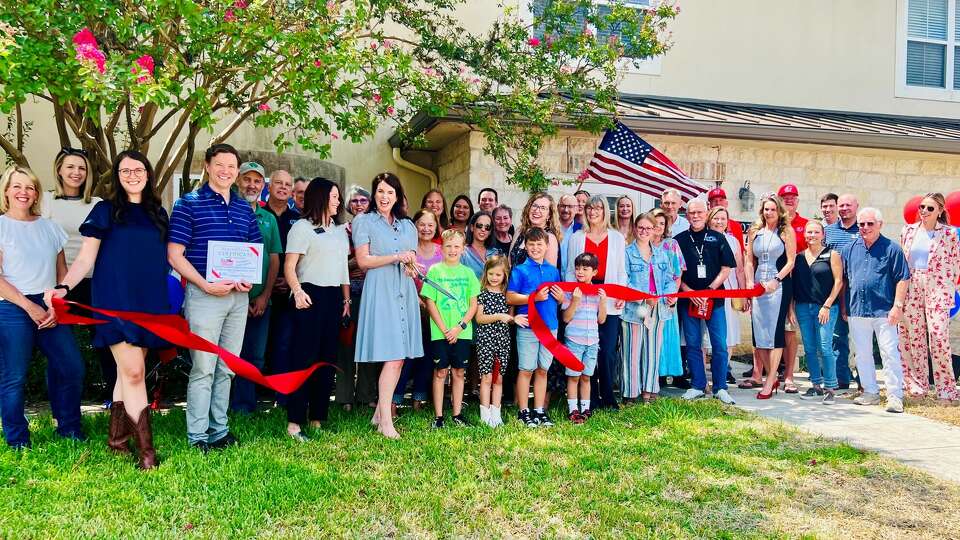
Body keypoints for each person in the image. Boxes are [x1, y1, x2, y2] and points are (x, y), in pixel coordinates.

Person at [45, 150, 169, 467]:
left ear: (148, 173)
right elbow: (86, 259)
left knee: (127, 376)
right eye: (124, 170)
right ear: (117, 176)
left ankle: (117, 442)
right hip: (115, 301)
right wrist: (64, 286)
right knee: (134, 372)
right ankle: (147, 453)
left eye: (137, 169)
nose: (131, 175)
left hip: (150, 303)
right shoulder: (105, 210)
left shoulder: (158, 212)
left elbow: (166, 258)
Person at [167, 143, 262, 451]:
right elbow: (174, 255)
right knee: (204, 367)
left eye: (231, 166)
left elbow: (254, 250)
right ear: (207, 166)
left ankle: (219, 430)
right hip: (204, 296)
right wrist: (205, 284)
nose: (226, 171)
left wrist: (248, 279)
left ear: (237, 171)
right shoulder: (188, 204)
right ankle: (197, 436)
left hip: (237, 299)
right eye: (219, 164)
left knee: (227, 367)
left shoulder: (242, 207)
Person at [0, 166, 85, 449]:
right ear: (6, 191)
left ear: (37, 193)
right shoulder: (1, 226)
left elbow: (61, 275)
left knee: (71, 367)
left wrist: (56, 305)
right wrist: (28, 306)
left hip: (49, 306)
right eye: (17, 186)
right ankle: (17, 439)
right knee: (14, 376)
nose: (24, 192)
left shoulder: (50, 228)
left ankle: (70, 428)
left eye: (30, 187)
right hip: (13, 307)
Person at [42, 147, 115, 409]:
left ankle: (113, 397)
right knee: (59, 345)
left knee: (105, 340)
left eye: (82, 168)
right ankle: (58, 402)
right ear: (59, 170)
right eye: (70, 167)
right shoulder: (46, 201)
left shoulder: (96, 205)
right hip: (57, 283)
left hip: (93, 281)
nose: (76, 172)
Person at [353, 172, 423, 439]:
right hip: (380, 290)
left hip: (403, 291)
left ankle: (378, 414)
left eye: (390, 192)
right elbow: (363, 261)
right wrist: (396, 257)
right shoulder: (364, 221)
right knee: (392, 357)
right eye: (380, 191)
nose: (384, 197)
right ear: (374, 194)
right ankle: (385, 421)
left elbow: (412, 259)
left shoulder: (408, 225)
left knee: (400, 355)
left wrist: (411, 267)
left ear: (398, 196)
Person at [283, 178, 350, 440]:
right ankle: (294, 422)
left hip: (333, 297)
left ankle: (317, 418)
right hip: (308, 295)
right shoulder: (302, 228)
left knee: (326, 360)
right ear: (321, 197)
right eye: (334, 196)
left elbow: (343, 269)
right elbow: (289, 267)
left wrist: (346, 301)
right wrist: (298, 292)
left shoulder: (338, 230)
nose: (338, 201)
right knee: (303, 360)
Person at [843, 207, 909, 413]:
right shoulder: (850, 248)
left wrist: (897, 306)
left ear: (880, 224)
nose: (865, 227)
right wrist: (845, 307)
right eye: (861, 224)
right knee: (862, 354)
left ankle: (894, 396)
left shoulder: (892, 249)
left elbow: (903, 278)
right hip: (857, 310)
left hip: (884, 311)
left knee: (889, 353)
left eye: (870, 223)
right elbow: (844, 280)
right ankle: (870, 392)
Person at [564, 195, 627, 410]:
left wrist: (621, 295)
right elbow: (571, 272)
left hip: (606, 303)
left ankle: (608, 396)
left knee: (607, 351)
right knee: (584, 350)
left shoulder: (617, 238)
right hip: (583, 306)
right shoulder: (576, 238)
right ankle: (589, 399)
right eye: (590, 208)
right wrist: (573, 298)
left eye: (598, 208)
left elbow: (621, 271)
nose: (593, 212)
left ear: (605, 212)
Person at [230, 162, 281, 414]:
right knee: (230, 354)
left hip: (260, 301)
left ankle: (245, 407)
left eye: (257, 181)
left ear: (263, 186)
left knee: (255, 356)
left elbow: (274, 259)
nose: (251, 185)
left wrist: (264, 295)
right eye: (247, 179)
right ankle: (228, 406)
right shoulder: (227, 211)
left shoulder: (269, 219)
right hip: (228, 298)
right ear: (238, 181)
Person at [898, 193, 960, 402]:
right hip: (912, 285)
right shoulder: (908, 231)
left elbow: (955, 263)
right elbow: (903, 262)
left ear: (940, 211)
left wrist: (948, 288)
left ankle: (947, 389)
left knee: (938, 336)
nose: (924, 211)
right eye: (922, 207)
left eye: (930, 208)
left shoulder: (949, 234)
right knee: (912, 337)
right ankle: (917, 386)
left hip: (938, 287)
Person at [674, 199, 736, 404]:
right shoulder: (679, 239)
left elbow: (726, 268)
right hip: (689, 298)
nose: (695, 216)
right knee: (693, 344)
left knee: (719, 344)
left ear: (706, 213)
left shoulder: (718, 237)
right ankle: (697, 385)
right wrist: (689, 292)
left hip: (714, 299)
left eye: (699, 212)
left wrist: (710, 290)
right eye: (691, 212)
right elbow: (676, 274)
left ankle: (720, 387)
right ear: (687, 215)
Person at [422, 229, 480, 428]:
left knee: (459, 372)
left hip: (462, 332)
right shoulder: (435, 271)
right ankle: (439, 417)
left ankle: (457, 414)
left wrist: (459, 327)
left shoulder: (468, 273)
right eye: (448, 246)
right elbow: (430, 302)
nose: (452, 250)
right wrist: (445, 329)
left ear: (463, 249)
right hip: (440, 332)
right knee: (440, 372)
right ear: (442, 249)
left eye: (457, 246)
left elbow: (473, 304)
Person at [507, 227, 564, 427]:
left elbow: (558, 298)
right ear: (526, 246)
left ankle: (540, 410)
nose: (535, 248)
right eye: (531, 244)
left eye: (539, 244)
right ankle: (524, 411)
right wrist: (533, 297)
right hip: (529, 327)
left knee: (542, 369)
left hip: (549, 326)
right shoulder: (520, 270)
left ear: (547, 246)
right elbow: (510, 296)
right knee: (526, 369)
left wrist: (560, 298)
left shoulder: (553, 270)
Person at [742, 195, 796, 399]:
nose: (769, 213)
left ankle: (770, 380)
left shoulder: (786, 231)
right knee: (759, 336)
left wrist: (776, 279)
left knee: (774, 335)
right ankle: (771, 377)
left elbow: (791, 262)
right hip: (757, 286)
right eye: (766, 209)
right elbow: (749, 260)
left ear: (779, 211)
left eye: (773, 209)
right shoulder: (755, 231)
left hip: (778, 287)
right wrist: (749, 282)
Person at [392, 209, 442, 411]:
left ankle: (418, 399)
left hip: (436, 311)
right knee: (407, 356)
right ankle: (395, 400)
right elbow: (400, 278)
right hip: (410, 308)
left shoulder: (441, 250)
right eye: (422, 224)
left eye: (431, 225)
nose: (426, 228)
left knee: (428, 355)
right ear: (414, 226)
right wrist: (418, 301)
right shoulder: (407, 249)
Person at [337, 185, 379, 411]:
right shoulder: (341, 231)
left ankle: (366, 394)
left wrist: (357, 261)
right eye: (354, 201)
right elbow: (339, 264)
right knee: (346, 344)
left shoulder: (375, 229)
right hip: (348, 292)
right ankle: (344, 397)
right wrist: (361, 261)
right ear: (348, 205)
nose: (359, 204)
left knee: (370, 343)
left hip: (372, 290)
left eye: (364, 200)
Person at [793, 220, 843, 404]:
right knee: (810, 348)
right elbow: (795, 285)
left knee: (825, 347)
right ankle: (816, 386)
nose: (812, 235)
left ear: (823, 235)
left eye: (815, 232)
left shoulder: (832, 254)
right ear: (804, 235)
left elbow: (838, 282)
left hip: (825, 309)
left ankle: (830, 388)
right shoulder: (798, 257)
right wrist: (792, 309)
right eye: (809, 232)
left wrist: (827, 305)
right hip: (803, 307)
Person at [622, 215, 666, 403]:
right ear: (635, 228)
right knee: (632, 352)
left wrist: (670, 296)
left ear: (654, 230)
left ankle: (650, 391)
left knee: (652, 351)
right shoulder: (627, 253)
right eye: (641, 227)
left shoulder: (660, 254)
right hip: (634, 308)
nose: (644, 231)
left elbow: (669, 279)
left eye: (649, 228)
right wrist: (644, 296)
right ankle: (630, 393)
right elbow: (624, 280)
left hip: (657, 309)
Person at [475, 256, 520, 427]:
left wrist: (514, 319)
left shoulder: (506, 294)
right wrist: (499, 316)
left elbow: (510, 317)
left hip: (503, 339)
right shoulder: (482, 293)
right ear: (486, 273)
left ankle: (496, 413)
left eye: (498, 275)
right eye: (491, 273)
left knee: (498, 378)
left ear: (505, 276)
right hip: (486, 339)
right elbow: (479, 318)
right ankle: (485, 414)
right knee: (486, 377)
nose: (494, 278)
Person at [562, 253, 607, 424]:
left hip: (592, 341)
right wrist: (574, 300)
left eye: (585, 269)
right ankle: (573, 409)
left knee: (587, 376)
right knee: (573, 376)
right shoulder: (570, 291)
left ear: (594, 272)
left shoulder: (598, 292)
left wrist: (603, 302)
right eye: (578, 268)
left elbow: (601, 320)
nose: (580, 272)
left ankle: (585, 408)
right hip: (574, 340)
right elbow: (566, 318)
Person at [825, 193, 860, 391]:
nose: (844, 208)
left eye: (849, 205)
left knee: (861, 337)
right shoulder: (829, 231)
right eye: (842, 205)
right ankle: (841, 377)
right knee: (838, 336)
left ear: (856, 206)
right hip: (835, 290)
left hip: (857, 290)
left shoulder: (863, 229)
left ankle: (863, 379)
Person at [706, 206, 745, 380]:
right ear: (710, 219)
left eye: (723, 218)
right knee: (706, 336)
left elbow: (740, 270)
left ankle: (721, 372)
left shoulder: (733, 241)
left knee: (729, 333)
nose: (719, 221)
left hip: (729, 291)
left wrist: (743, 293)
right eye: (716, 218)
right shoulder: (703, 238)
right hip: (709, 289)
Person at [649, 208, 685, 388]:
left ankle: (665, 374)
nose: (658, 226)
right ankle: (652, 375)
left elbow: (678, 274)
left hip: (667, 298)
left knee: (667, 337)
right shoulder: (642, 244)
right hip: (647, 300)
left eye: (662, 223)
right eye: (655, 222)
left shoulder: (671, 245)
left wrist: (674, 296)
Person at [777, 183, 806, 393]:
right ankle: (770, 371)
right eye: (785, 197)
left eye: (792, 197)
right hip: (774, 283)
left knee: (790, 328)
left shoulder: (805, 224)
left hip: (796, 283)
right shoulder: (772, 224)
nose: (789, 200)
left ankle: (789, 374)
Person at [510, 192, 560, 267]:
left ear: (549, 215)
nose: (537, 210)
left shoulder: (550, 238)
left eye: (543, 208)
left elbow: (549, 273)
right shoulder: (519, 230)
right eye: (534, 206)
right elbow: (509, 262)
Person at [462, 211, 500, 278]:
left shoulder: (496, 253)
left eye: (487, 227)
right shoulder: (462, 252)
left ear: (490, 232)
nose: (483, 229)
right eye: (479, 225)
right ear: (472, 227)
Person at [557, 194, 583, 269]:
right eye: (563, 206)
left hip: (574, 277)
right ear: (558, 207)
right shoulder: (549, 228)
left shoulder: (582, 230)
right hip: (553, 277)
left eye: (570, 206)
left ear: (577, 209)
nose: (566, 210)